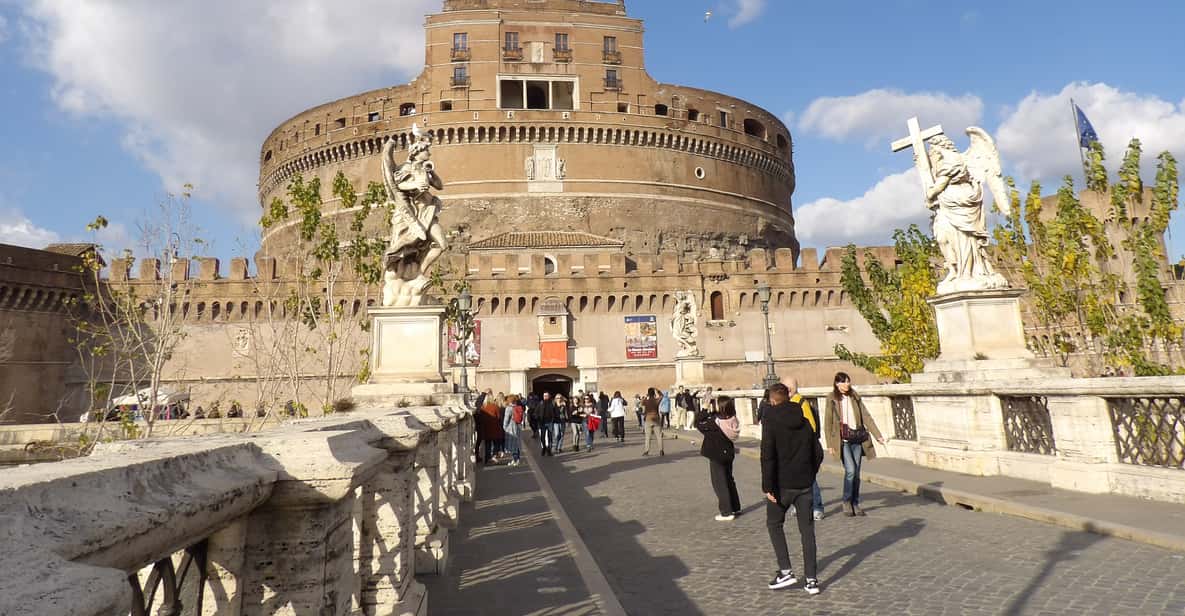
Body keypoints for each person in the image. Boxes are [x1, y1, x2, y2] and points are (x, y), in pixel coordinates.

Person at [760, 383, 823, 594]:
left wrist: (768, 486)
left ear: (772, 401)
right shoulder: (803, 421)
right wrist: (810, 473)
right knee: (807, 531)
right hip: (804, 484)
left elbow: (767, 456)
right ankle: (811, 580)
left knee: (774, 524)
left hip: (781, 485)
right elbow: (818, 452)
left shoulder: (770, 422)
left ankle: (786, 571)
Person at [824, 372, 884, 517]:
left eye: (848, 381)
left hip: (857, 438)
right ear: (837, 383)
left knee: (856, 473)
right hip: (842, 440)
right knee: (850, 470)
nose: (847, 384)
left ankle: (855, 503)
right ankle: (846, 501)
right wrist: (829, 444)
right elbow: (828, 422)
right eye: (844, 381)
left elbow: (866, 416)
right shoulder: (831, 398)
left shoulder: (854, 396)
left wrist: (877, 435)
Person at [696, 395, 741, 521]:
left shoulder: (714, 423)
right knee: (729, 480)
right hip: (728, 454)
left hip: (717, 455)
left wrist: (704, 409)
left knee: (719, 483)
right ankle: (735, 507)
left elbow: (697, 423)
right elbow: (719, 415)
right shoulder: (732, 419)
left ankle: (726, 512)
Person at [787, 379, 825, 521]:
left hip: (804, 448)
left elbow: (811, 428)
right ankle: (798, 505)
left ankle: (817, 507)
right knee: (795, 479)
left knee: (810, 479)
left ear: (789, 389)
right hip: (793, 449)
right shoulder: (789, 403)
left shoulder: (801, 403)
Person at [479, 395, 505, 465]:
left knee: (487, 444)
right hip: (495, 428)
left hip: (486, 428)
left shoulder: (482, 407)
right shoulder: (495, 407)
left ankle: (487, 458)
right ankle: (493, 456)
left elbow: (481, 419)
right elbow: (499, 417)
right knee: (496, 443)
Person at [640, 387, 664, 455]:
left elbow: (641, 402)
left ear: (648, 394)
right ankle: (661, 450)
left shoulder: (646, 401)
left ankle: (646, 450)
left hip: (648, 419)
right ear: (654, 394)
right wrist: (657, 390)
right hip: (656, 419)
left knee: (648, 437)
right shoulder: (656, 401)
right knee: (659, 436)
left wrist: (646, 396)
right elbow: (662, 396)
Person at [502, 395, 524, 466]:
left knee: (512, 445)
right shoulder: (518, 407)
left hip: (511, 428)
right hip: (518, 427)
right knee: (517, 444)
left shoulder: (508, 408)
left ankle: (515, 460)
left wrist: (504, 428)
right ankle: (517, 459)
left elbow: (506, 420)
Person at [539, 392, 558, 456]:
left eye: (547, 396)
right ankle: (544, 448)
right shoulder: (541, 403)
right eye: (544, 396)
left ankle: (549, 450)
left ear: (549, 396)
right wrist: (537, 419)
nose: (545, 397)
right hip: (542, 423)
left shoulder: (552, 403)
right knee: (542, 437)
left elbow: (556, 412)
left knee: (550, 437)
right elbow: (536, 412)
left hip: (550, 422)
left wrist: (555, 418)